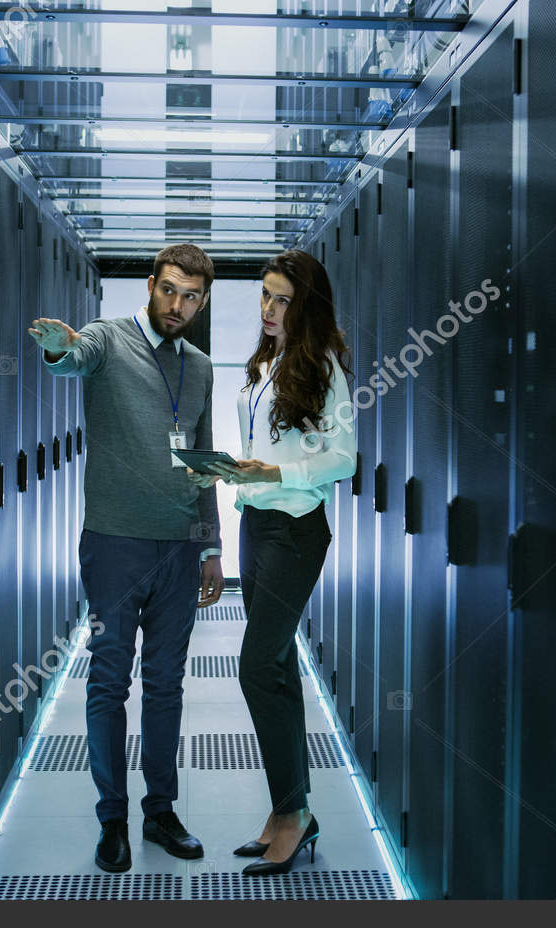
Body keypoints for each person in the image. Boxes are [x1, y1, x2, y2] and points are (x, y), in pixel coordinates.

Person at [27, 243, 225, 874]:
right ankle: (111, 817)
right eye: (170, 290)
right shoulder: (108, 339)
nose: (179, 305)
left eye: (192, 296)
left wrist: (212, 546)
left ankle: (160, 810)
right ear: (149, 284)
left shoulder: (199, 367)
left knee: (166, 685)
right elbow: (70, 361)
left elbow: (206, 457)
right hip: (114, 546)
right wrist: (59, 347)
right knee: (110, 680)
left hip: (178, 549)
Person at [188, 249, 356, 875]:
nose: (267, 307)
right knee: (277, 670)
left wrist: (277, 471)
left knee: (258, 667)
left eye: (281, 298)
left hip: (296, 530)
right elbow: (265, 448)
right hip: (257, 522)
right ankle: (290, 811)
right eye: (264, 294)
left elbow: (344, 459)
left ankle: (294, 815)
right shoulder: (263, 364)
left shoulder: (326, 370)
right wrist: (238, 470)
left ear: (305, 304)